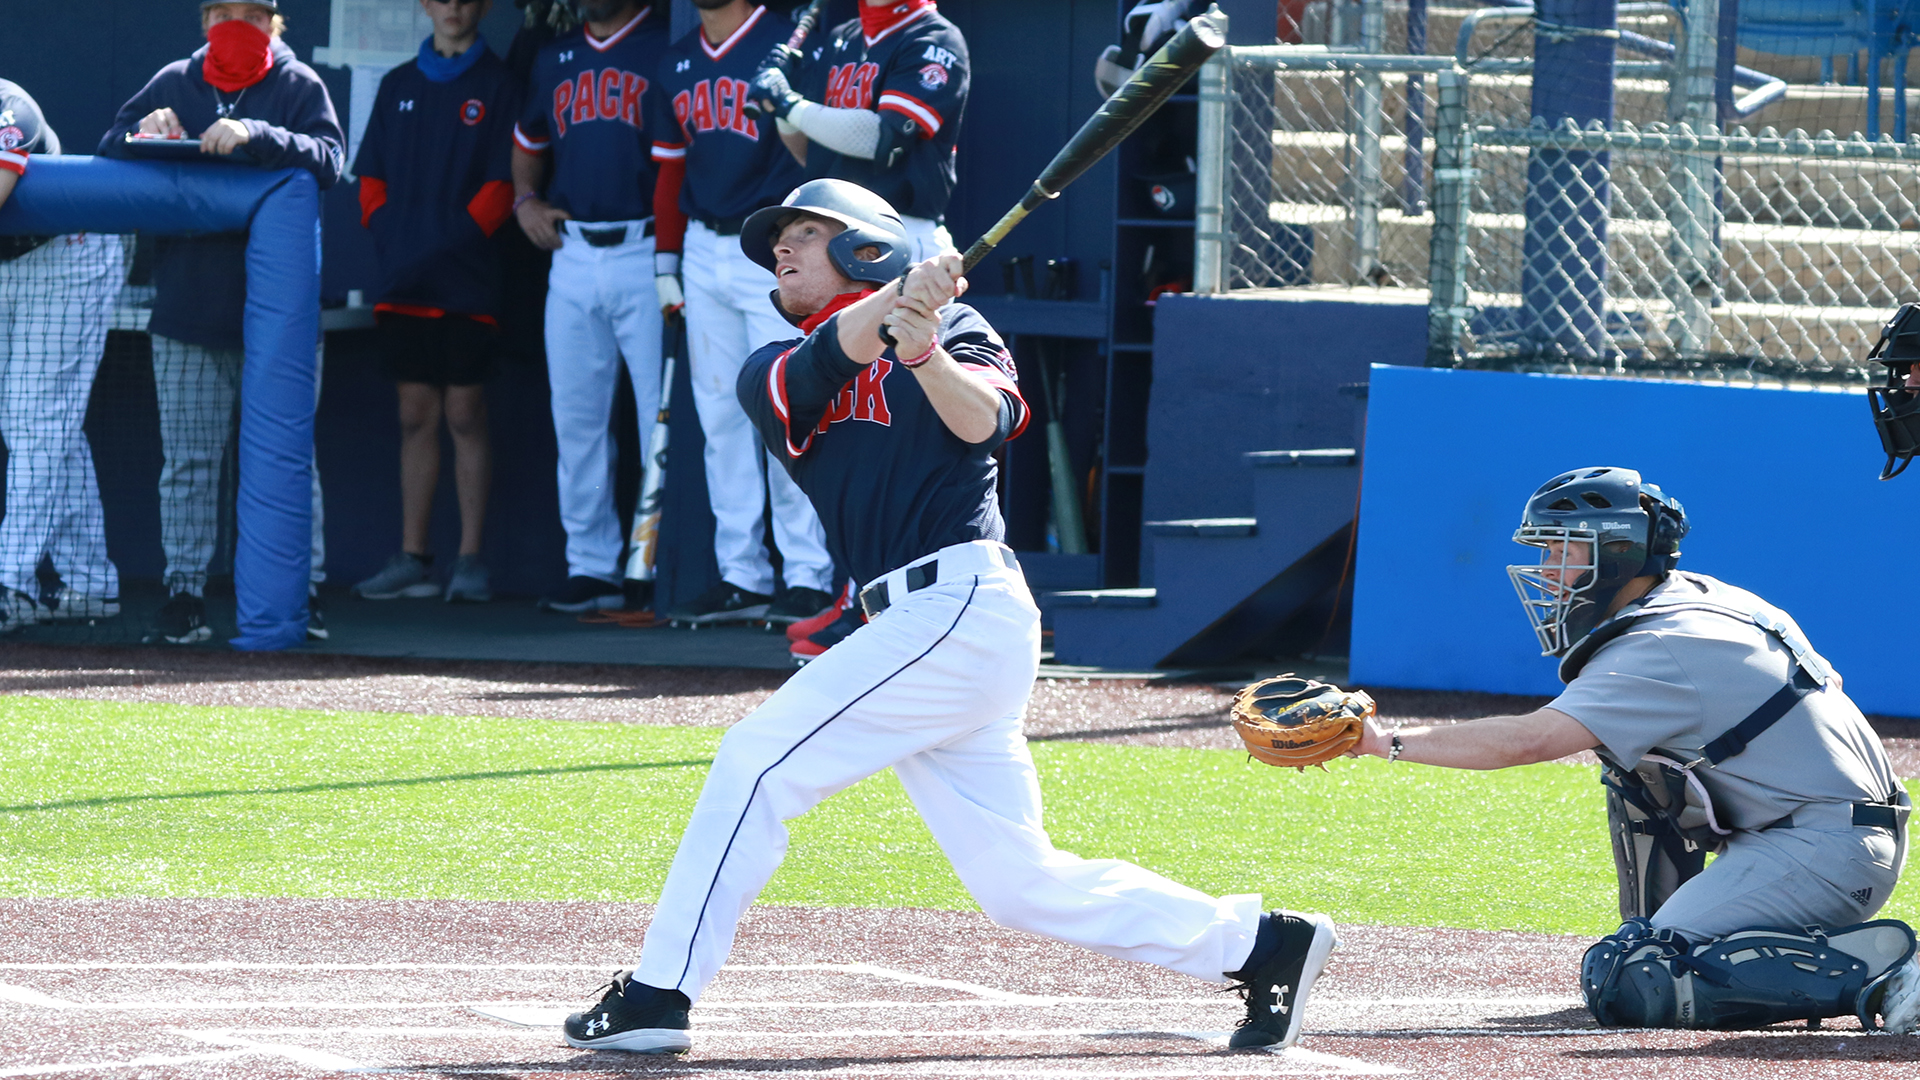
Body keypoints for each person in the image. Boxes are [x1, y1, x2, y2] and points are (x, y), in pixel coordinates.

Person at [557, 179, 1339, 1056]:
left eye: (804, 235)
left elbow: (983, 426)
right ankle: (1263, 943)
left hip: (960, 603)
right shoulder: (769, 369)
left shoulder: (962, 334)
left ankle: (659, 992)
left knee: (753, 762)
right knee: (1018, 882)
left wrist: (925, 348)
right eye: (778, 240)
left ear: (864, 245)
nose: (780, 250)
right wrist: (897, 306)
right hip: (915, 627)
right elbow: (825, 362)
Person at [1347, 466, 1918, 1031]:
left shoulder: (1659, 643)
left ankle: (1888, 974)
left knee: (1634, 979)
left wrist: (1379, 741)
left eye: (1562, 549)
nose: (1546, 568)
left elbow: (1532, 739)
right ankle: (1664, 927)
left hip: (1822, 851)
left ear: (1617, 551)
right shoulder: (1707, 596)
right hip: (1825, 833)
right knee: (1631, 767)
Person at [100, 0, 343, 643]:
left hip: (281, 323)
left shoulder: (296, 84)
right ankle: (184, 593)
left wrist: (258, 134)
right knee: (188, 463)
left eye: (253, 12)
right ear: (206, 20)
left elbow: (330, 157)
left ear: (273, 22)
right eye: (224, 10)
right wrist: (147, 129)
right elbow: (108, 147)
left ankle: (303, 590)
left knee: (290, 463)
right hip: (189, 308)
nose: (238, 21)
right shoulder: (177, 79)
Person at [650, 0, 836, 627]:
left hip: (775, 243)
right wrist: (665, 261)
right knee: (721, 412)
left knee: (787, 407)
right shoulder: (677, 60)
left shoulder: (791, 46)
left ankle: (808, 574)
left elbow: (818, 154)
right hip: (703, 243)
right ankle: (742, 574)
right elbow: (669, 170)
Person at [349, 0, 519, 604]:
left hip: (467, 282)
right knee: (414, 415)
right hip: (404, 284)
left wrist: (445, 244)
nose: (453, 8)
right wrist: (400, 242)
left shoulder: (501, 85)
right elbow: (369, 184)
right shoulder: (398, 84)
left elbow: (505, 188)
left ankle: (470, 561)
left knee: (465, 415)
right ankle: (413, 557)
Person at [512, 0, 671, 613]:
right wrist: (526, 200)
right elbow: (527, 144)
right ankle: (591, 565)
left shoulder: (664, 45)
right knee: (576, 420)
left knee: (656, 421)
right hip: (574, 251)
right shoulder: (555, 58)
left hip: (646, 246)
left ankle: (655, 561)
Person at [0, 79, 128, 633]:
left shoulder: (9, 104)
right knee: (43, 426)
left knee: (35, 422)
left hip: (64, 257)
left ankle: (11, 582)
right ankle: (89, 582)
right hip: (9, 264)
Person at [746, 0, 968, 260]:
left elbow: (878, 140)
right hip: (829, 233)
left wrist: (788, 103)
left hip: (900, 232)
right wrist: (782, 107)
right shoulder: (843, 37)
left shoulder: (936, 38)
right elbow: (810, 154)